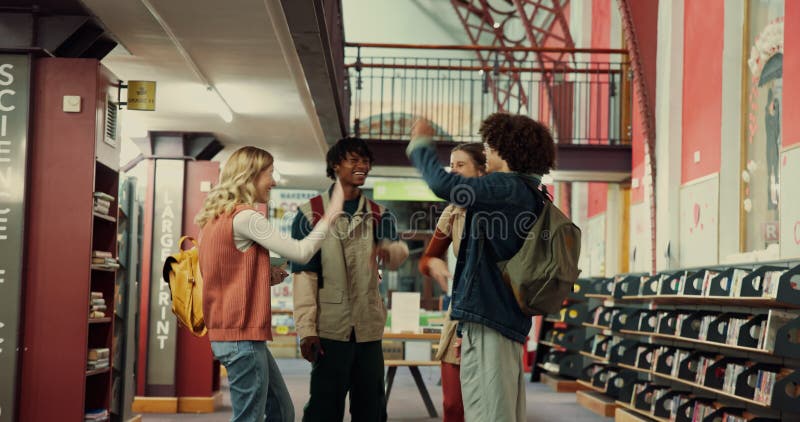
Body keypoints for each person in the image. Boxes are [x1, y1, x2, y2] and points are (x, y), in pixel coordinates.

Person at [407, 114, 556, 421]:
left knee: (488, 412)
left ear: (506, 149)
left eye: (490, 145)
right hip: (503, 319)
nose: (486, 151)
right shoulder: (529, 191)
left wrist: (420, 144)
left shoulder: (506, 187)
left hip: (490, 320)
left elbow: (442, 184)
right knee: (500, 409)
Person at [195, 146, 345, 422]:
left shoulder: (216, 219)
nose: (274, 181)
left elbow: (225, 273)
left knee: (282, 411)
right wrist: (331, 215)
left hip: (234, 335)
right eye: (269, 173)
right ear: (250, 175)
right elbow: (300, 252)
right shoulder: (246, 217)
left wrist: (265, 276)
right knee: (249, 418)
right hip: (242, 337)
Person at [291, 137, 409, 422]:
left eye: (365, 161)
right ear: (335, 165)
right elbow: (304, 276)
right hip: (330, 330)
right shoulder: (311, 214)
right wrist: (306, 329)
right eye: (354, 160)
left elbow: (398, 252)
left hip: (368, 329)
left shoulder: (380, 215)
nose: (362, 166)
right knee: (324, 408)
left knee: (371, 408)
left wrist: (390, 251)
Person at [418, 143, 486, 422]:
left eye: (460, 165)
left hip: (491, 317)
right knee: (452, 406)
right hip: (458, 315)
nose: (453, 171)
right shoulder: (453, 211)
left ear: (481, 171)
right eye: (451, 165)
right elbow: (426, 259)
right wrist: (433, 264)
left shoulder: (501, 210)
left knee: (484, 404)